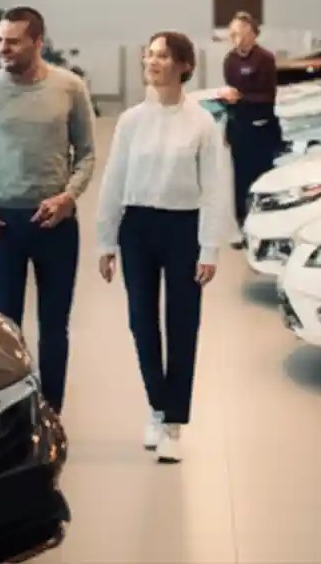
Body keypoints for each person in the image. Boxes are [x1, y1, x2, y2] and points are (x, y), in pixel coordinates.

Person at [96, 31, 231, 464]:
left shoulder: (202, 123)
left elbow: (212, 189)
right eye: (149, 55)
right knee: (141, 320)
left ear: (184, 66)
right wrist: (106, 238)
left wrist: (209, 247)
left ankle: (173, 421)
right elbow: (114, 179)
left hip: (183, 228)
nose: (152, 63)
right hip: (137, 226)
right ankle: (157, 404)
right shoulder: (131, 120)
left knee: (182, 323)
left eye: (162, 57)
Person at [0, 6, 97, 413]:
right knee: (2, 327)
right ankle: (6, 411)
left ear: (38, 41)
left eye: (12, 41)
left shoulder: (69, 87)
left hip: (55, 221)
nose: (2, 48)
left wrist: (69, 197)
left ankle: (51, 410)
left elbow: (86, 154)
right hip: (1, 224)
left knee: (55, 328)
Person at [217, 12, 280, 246]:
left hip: (261, 127)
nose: (236, 40)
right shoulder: (230, 61)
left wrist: (241, 97)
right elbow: (230, 92)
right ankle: (243, 227)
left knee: (261, 177)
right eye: (232, 35)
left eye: (240, 35)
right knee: (240, 180)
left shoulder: (265, 59)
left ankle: (265, 228)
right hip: (239, 127)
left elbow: (268, 96)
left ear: (252, 34)